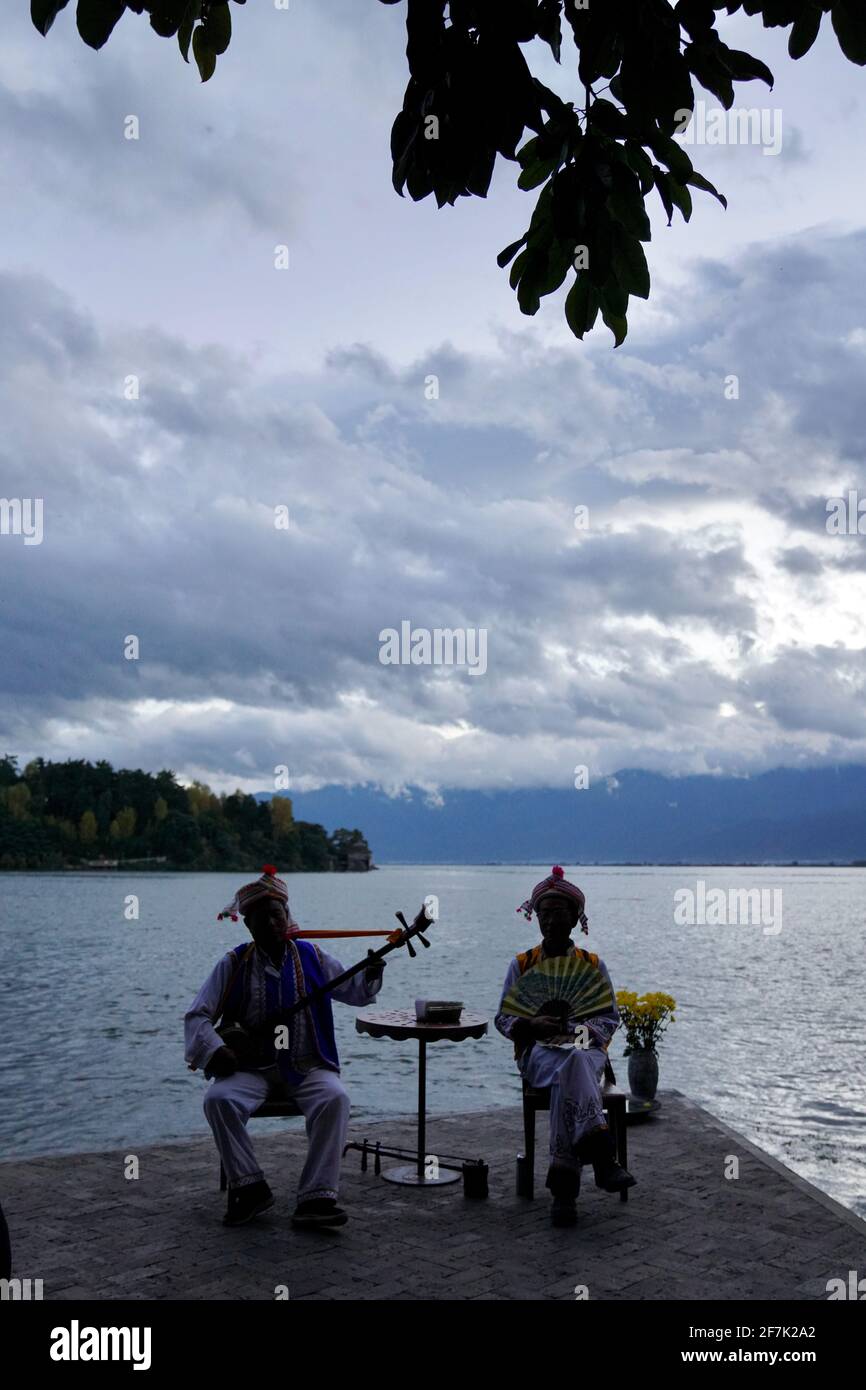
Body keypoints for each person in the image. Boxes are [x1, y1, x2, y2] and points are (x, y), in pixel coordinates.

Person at [185, 865, 385, 1230]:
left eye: (277, 916)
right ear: (249, 925)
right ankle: (250, 1188)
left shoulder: (312, 957)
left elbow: (354, 991)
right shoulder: (233, 963)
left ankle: (316, 1198)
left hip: (306, 1066)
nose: (272, 925)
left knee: (334, 1098)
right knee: (218, 1100)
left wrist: (371, 971)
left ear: (288, 916)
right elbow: (197, 1016)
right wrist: (217, 1049)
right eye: (262, 919)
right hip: (253, 1069)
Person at [495, 865, 636, 1227]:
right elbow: (504, 1019)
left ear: (575, 918)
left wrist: (580, 1032)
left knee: (571, 1066)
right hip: (538, 1054)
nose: (550, 920)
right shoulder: (522, 965)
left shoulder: (592, 966)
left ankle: (564, 1192)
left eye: (559, 912)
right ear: (536, 918)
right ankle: (603, 1160)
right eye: (544, 913)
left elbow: (609, 1018)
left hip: (585, 1052)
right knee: (567, 1066)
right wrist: (530, 1024)